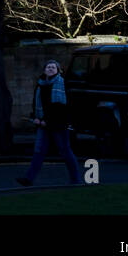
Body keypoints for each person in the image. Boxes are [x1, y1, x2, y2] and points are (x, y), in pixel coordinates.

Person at [17, 58, 82, 186]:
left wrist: (48, 121)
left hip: (58, 125)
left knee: (65, 151)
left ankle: (76, 180)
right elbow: (35, 104)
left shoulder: (62, 84)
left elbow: (61, 108)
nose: (50, 69)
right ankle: (28, 179)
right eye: (48, 67)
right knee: (39, 151)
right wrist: (35, 117)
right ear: (44, 70)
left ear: (58, 70)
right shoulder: (40, 85)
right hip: (43, 124)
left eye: (53, 67)